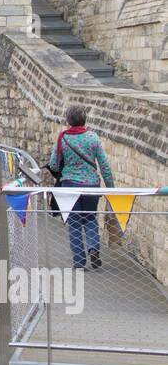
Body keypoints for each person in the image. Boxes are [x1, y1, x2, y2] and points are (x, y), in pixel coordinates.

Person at [47, 105, 115, 270]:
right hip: (91, 186)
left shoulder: (63, 139)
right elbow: (104, 165)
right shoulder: (93, 137)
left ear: (68, 121)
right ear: (84, 119)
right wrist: (111, 187)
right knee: (90, 218)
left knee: (75, 222)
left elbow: (54, 165)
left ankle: (79, 262)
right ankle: (93, 248)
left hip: (70, 186)